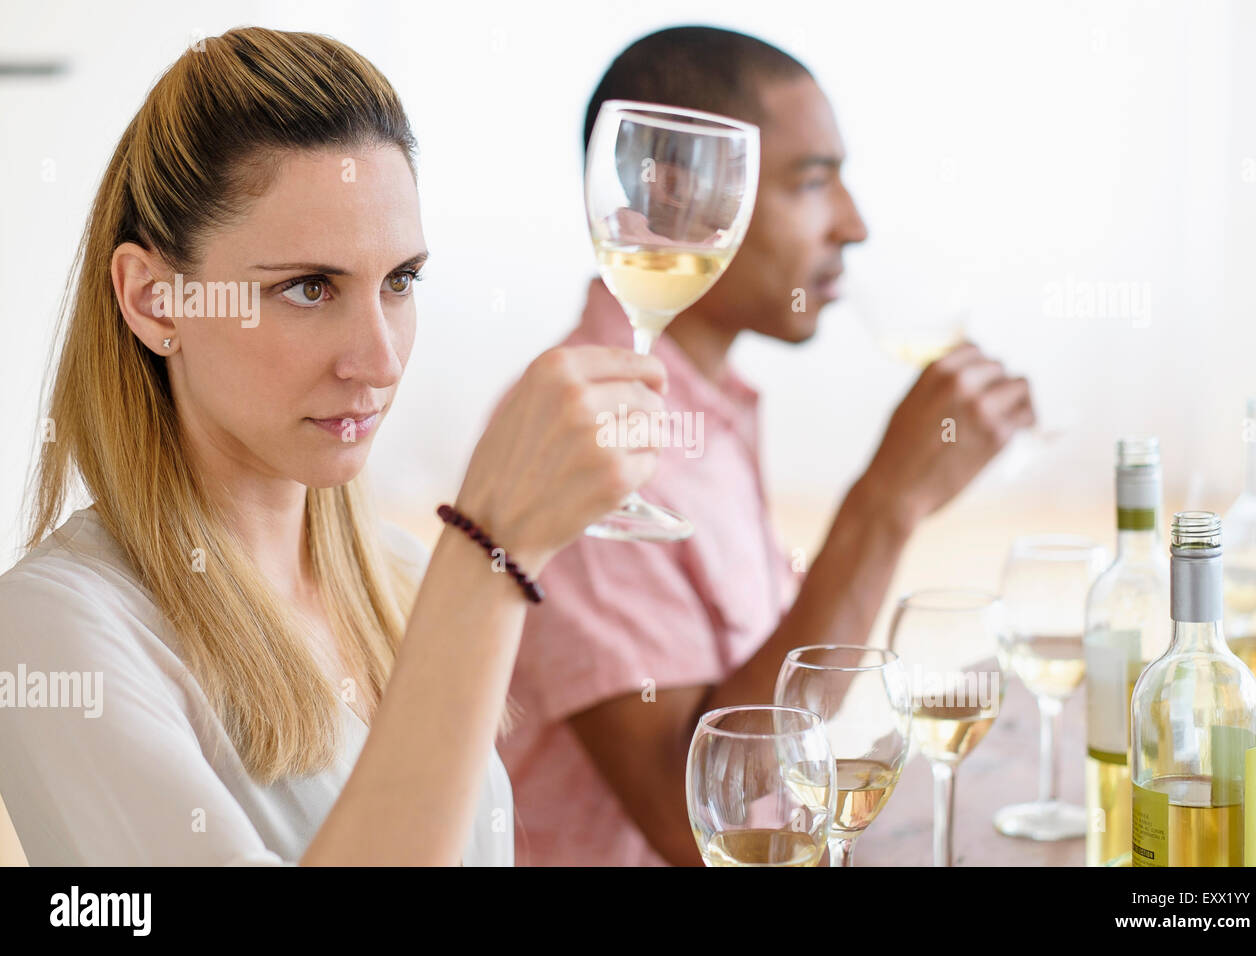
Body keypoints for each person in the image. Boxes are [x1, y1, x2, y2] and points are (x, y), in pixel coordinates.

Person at [0, 26, 667, 866]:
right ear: (154, 301)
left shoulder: (400, 579)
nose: (380, 360)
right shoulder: (56, 628)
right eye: (309, 288)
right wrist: (490, 555)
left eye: (400, 281)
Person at [498, 26, 1037, 866]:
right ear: (676, 198)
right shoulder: (586, 440)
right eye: (812, 182)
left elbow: (779, 729)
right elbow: (694, 826)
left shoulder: (708, 405)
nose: (853, 226)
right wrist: (887, 504)